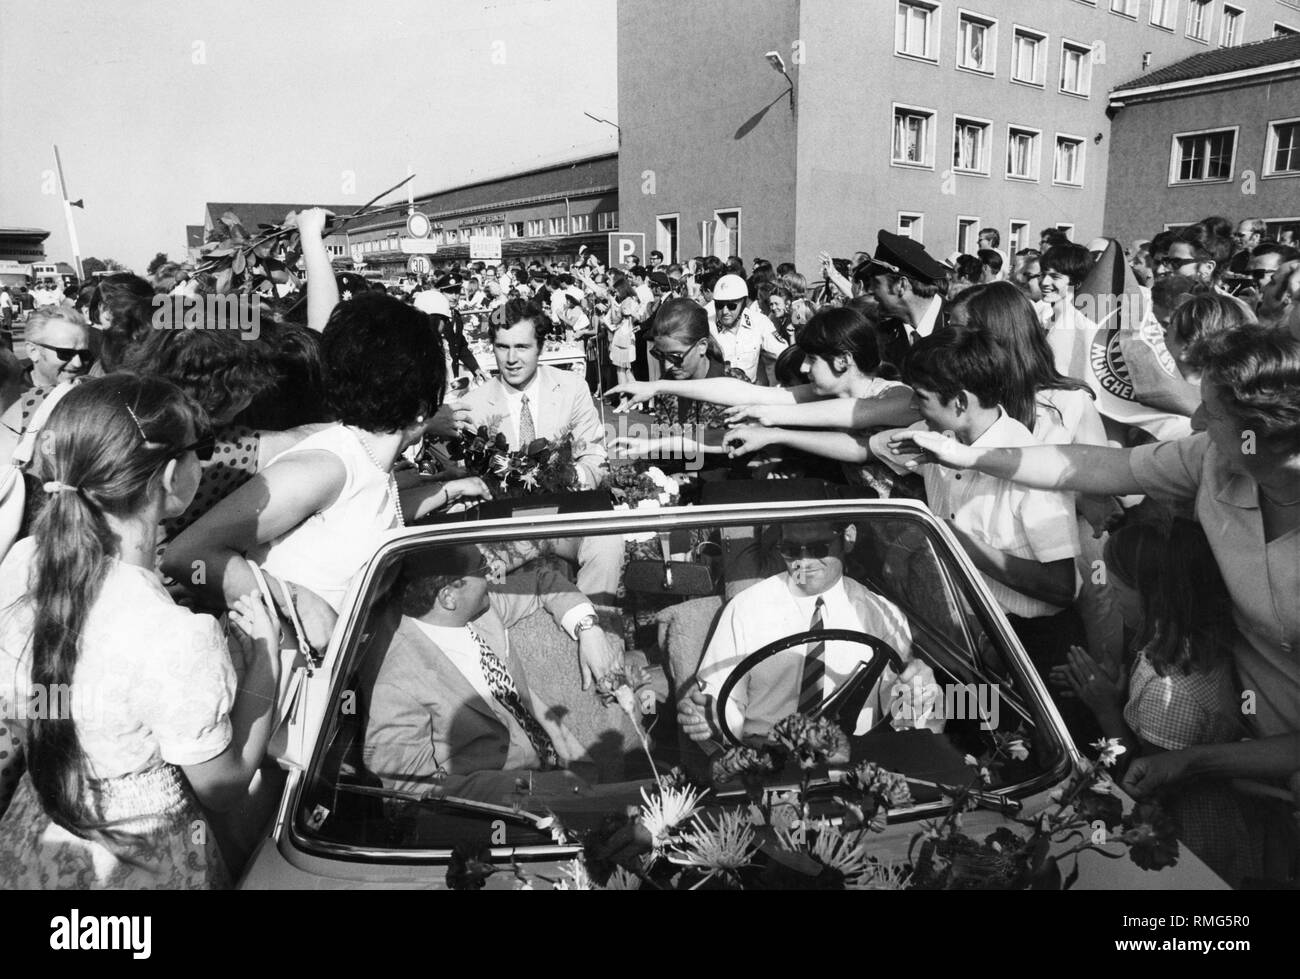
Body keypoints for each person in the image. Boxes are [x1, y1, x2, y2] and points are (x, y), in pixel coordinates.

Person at [889, 326, 1300, 786]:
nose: (1198, 421)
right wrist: (970, 457)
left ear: (1263, 429)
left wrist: (1200, 761)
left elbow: (1060, 584)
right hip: (1244, 743)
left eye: (1213, 411)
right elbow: (1102, 466)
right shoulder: (1212, 458)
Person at [0, 374, 281, 888]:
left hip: (34, 838)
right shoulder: (175, 635)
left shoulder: (20, 564)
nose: (208, 460)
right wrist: (267, 662)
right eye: (204, 448)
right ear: (172, 476)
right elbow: (223, 785)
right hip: (140, 862)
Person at [165, 293, 492, 651]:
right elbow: (187, 555)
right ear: (422, 405)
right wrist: (297, 601)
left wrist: (452, 490)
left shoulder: (368, 460)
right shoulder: (329, 465)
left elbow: (357, 520)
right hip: (281, 681)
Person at [1055, 519, 1264, 887]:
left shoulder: (1169, 689)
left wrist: (1104, 708)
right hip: (1224, 819)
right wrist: (1117, 695)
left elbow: (1143, 781)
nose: (1111, 593)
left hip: (1186, 839)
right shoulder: (1189, 645)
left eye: (1119, 588)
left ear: (1155, 597)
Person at [872, 330, 1083, 673]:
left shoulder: (1030, 465)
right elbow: (870, 443)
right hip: (966, 638)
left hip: (1031, 651)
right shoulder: (935, 441)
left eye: (921, 397)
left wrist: (960, 544)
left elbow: (1063, 587)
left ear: (959, 402)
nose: (912, 406)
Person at [363, 545, 619, 802]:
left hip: (563, 759)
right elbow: (408, 791)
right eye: (483, 568)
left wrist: (589, 629)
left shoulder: (480, 608)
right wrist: (527, 787)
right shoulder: (394, 682)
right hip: (502, 806)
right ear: (448, 596)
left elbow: (544, 581)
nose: (493, 573)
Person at [680, 519, 937, 746]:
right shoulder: (745, 608)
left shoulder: (882, 614)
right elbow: (721, 701)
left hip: (852, 760)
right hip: (765, 760)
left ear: (848, 537)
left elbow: (903, 718)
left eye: (818, 548)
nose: (803, 562)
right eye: (790, 550)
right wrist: (708, 718)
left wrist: (917, 695)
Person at [708, 274, 783, 383]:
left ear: (743, 303)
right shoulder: (706, 326)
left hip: (749, 392)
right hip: (717, 392)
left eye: (731, 306)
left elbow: (782, 353)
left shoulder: (759, 322)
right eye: (719, 305)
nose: (725, 311)